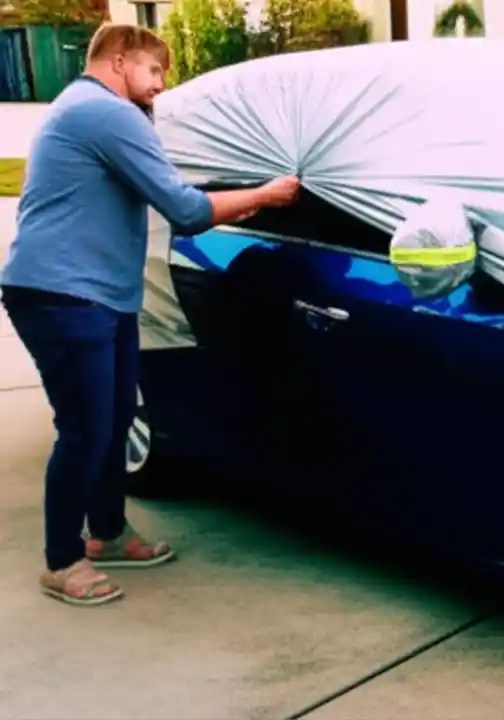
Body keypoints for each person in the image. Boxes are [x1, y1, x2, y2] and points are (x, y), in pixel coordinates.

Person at [0, 23, 301, 606]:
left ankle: (107, 534)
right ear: (117, 61)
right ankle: (62, 560)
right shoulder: (103, 113)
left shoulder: (93, 111)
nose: (161, 85)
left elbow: (166, 185)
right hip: (62, 293)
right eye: (154, 71)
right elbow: (185, 209)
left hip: (98, 294)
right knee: (85, 430)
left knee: (112, 420)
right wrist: (265, 195)